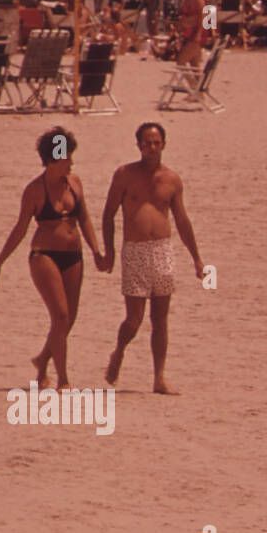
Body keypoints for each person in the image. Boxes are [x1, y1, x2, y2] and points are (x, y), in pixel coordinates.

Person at [0, 127, 105, 390]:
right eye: (67, 158)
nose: (71, 163)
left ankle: (42, 362)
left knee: (68, 319)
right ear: (53, 159)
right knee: (60, 316)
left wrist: (96, 250)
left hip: (74, 256)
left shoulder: (75, 183)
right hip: (44, 256)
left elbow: (83, 218)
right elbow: (20, 229)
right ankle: (62, 379)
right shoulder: (34, 191)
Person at [102, 123, 205, 395]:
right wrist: (109, 252)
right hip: (134, 251)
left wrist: (197, 258)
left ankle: (159, 377)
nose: (151, 147)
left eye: (156, 142)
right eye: (147, 143)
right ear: (138, 145)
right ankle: (119, 351)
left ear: (164, 144)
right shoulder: (124, 175)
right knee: (134, 319)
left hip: (162, 251)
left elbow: (182, 220)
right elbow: (108, 214)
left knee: (160, 320)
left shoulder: (172, 179)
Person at [175, 0, 205, 67]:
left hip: (196, 34)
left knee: (180, 62)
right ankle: (197, 83)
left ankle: (193, 83)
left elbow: (202, 16)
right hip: (189, 34)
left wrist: (199, 34)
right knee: (194, 64)